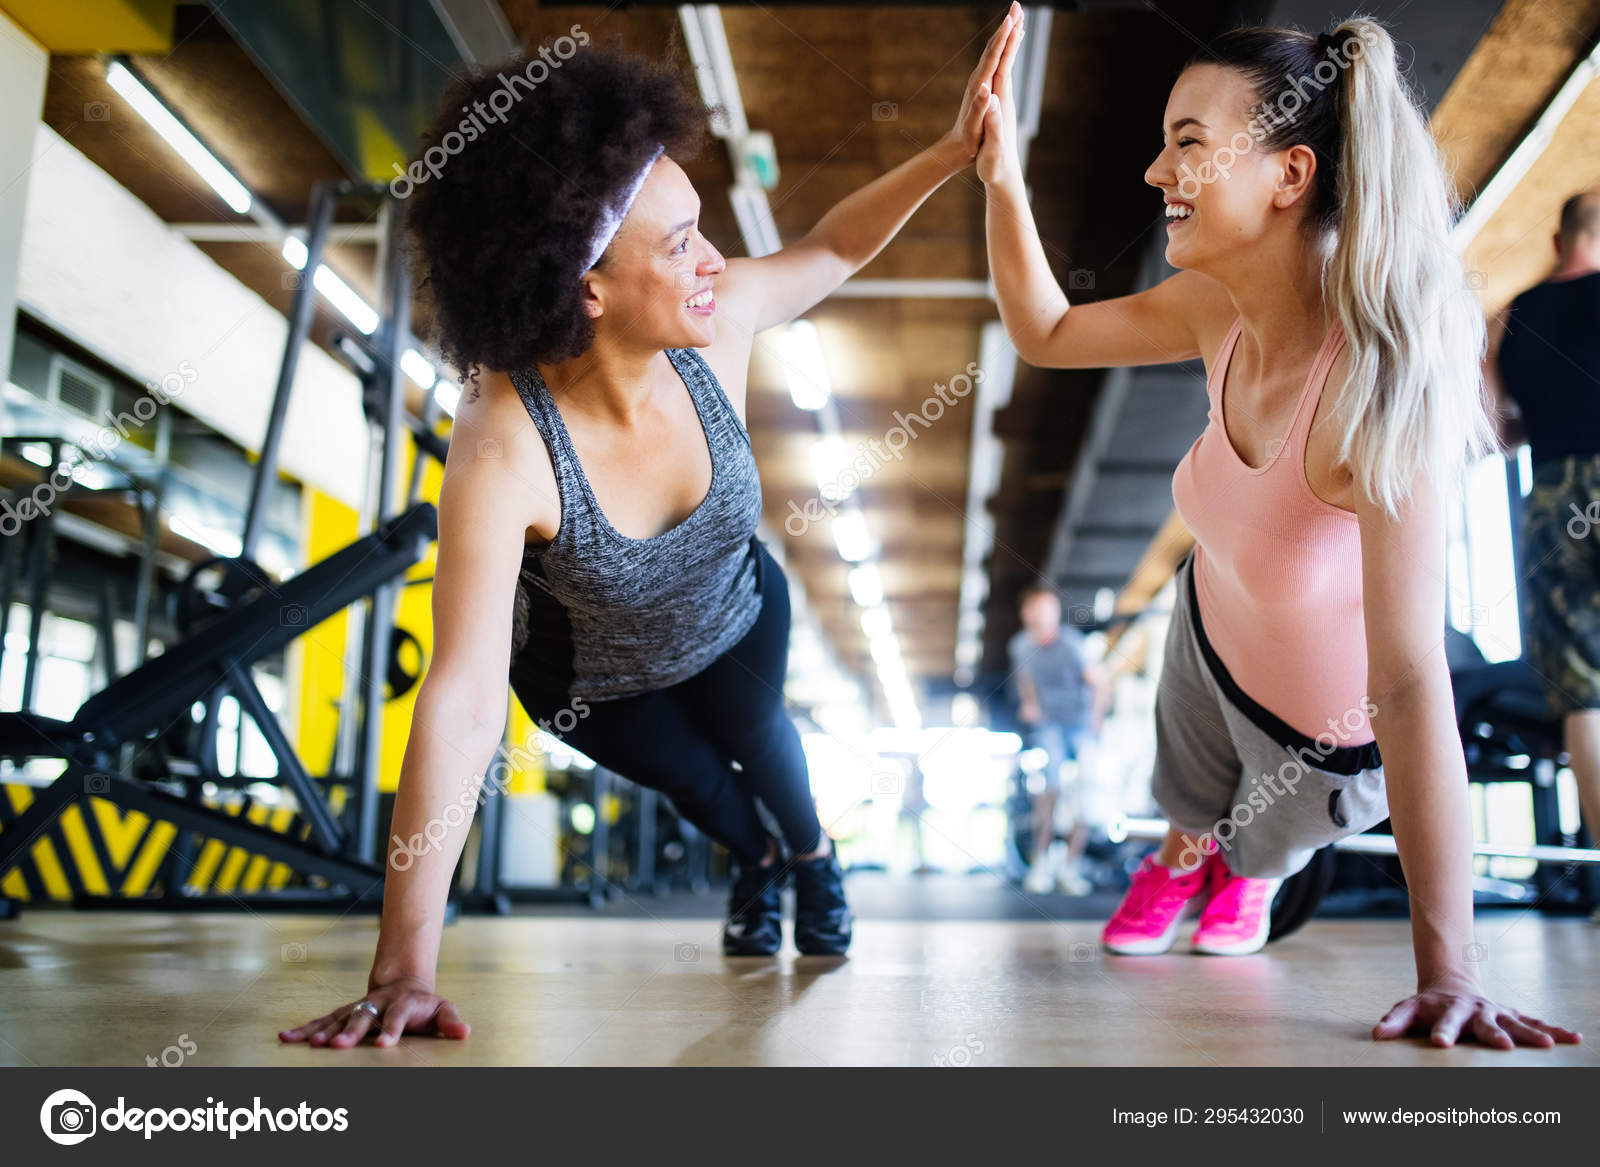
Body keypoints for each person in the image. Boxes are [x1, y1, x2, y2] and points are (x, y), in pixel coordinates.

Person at [278, 22, 1016, 1049]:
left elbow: (836, 245)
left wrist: (952, 150)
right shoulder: (505, 444)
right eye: (679, 246)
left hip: (729, 612)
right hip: (587, 675)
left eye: (701, 227)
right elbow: (461, 693)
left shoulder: (723, 324)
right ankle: (755, 866)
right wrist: (405, 964)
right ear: (585, 289)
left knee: (765, 746)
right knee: (702, 786)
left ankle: (809, 860)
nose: (716, 261)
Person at [976, 4, 1581, 1048]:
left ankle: (1247, 880)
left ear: (1288, 176)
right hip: (1203, 638)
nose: (1158, 174)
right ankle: (1179, 857)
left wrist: (1452, 972)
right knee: (1183, 806)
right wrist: (999, 178)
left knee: (1255, 851)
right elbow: (1045, 330)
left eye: (1188, 146)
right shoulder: (1214, 310)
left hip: (1322, 738)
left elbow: (1406, 682)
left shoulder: (1374, 396)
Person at [1485, 190, 1600, 925]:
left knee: (1584, 697)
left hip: (1554, 499)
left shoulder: (1513, 315)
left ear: (1558, 236)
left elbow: (1497, 428)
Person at [1008, 583, 1105, 894]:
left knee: (1084, 795)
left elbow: (1100, 684)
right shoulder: (1021, 646)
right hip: (1050, 724)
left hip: (1080, 724)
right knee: (1050, 790)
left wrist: (1094, 725)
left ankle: (1071, 867)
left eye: (1050, 609)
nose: (1045, 615)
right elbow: (1025, 679)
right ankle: (1041, 865)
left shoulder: (1072, 644)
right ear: (1027, 613)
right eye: (1038, 609)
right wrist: (1030, 703)